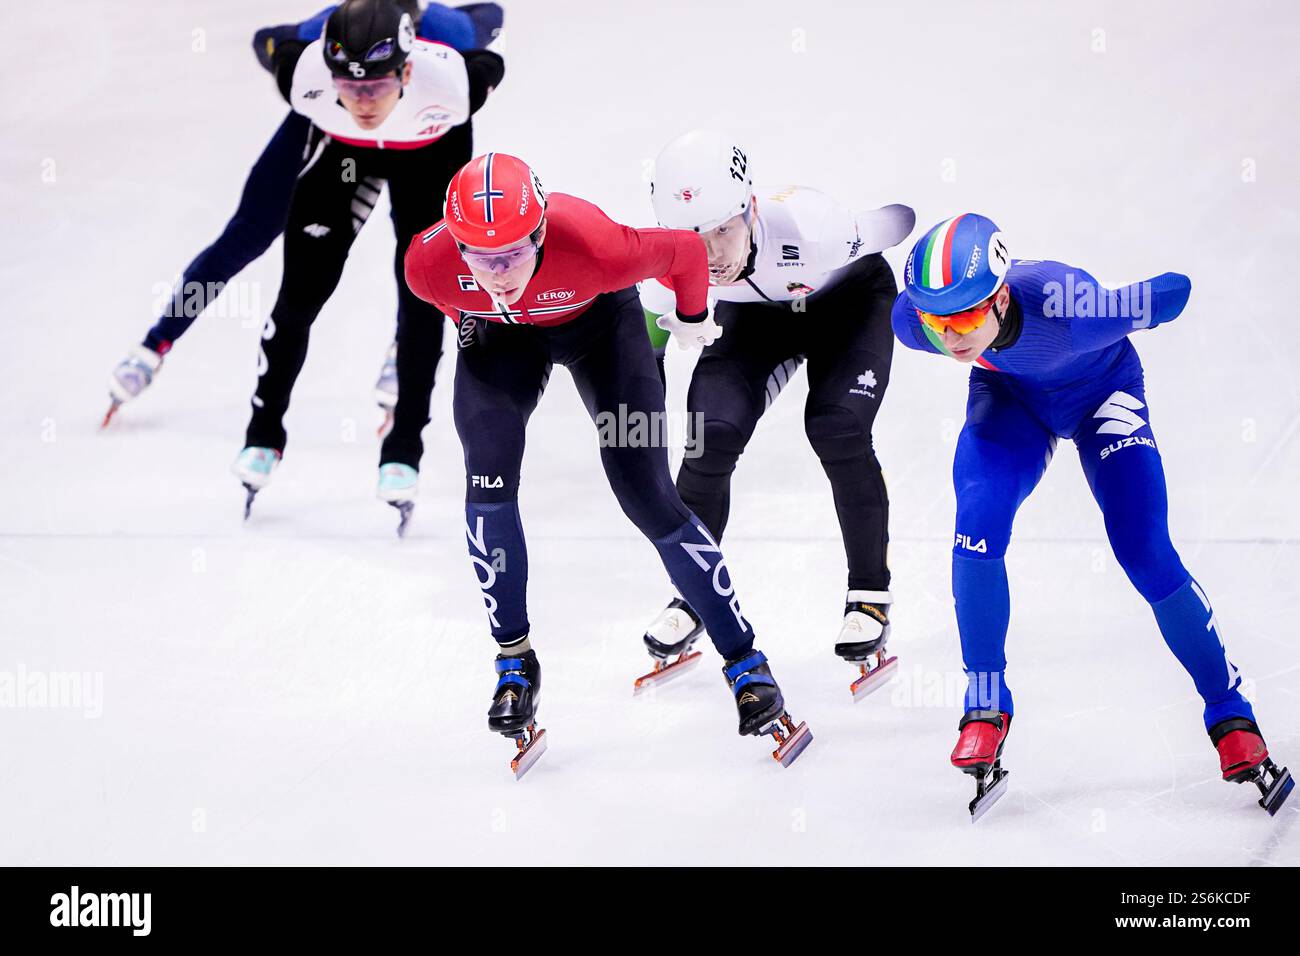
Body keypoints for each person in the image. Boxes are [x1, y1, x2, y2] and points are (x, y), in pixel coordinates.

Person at [404, 152, 813, 776]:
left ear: (541, 231)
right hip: (500, 340)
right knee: (486, 480)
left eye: (513, 253)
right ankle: (514, 662)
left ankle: (745, 662)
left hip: (602, 333)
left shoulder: (594, 245)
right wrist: (481, 317)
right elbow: (462, 296)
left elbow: (684, 250)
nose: (499, 272)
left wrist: (694, 317)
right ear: (456, 248)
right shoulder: (427, 266)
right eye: (481, 258)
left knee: (644, 490)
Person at [893, 212, 1293, 819]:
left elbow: (1175, 289)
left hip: (1104, 395)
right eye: (938, 321)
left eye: (969, 317)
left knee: (1144, 551)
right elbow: (911, 316)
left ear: (1001, 296)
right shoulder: (915, 322)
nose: (952, 337)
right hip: (1011, 403)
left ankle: (1230, 711)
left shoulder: (1073, 313)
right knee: (976, 528)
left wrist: (1128, 302)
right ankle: (984, 703)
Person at [103, 2, 503, 429]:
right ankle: (157, 341)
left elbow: (487, 19)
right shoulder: (333, 27)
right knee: (248, 234)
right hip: (338, 135)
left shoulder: (447, 30)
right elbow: (271, 42)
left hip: (421, 145)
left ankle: (404, 348)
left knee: (419, 253)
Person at [636, 130, 915, 699]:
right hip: (757, 324)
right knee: (707, 439)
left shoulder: (815, 225)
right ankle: (693, 591)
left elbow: (900, 221)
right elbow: (646, 360)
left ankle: (869, 593)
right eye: (692, 238)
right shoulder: (665, 267)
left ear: (751, 208)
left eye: (722, 230)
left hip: (848, 305)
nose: (711, 256)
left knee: (837, 429)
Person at [232, 0, 504, 535]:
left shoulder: (455, 75)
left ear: (406, 69)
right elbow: (270, 40)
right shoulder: (303, 68)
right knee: (299, 298)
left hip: (428, 155)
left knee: (424, 302)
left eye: (375, 85)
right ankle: (263, 430)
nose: (362, 100)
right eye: (348, 86)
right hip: (343, 158)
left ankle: (405, 444)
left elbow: (491, 31)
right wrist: (297, 37)